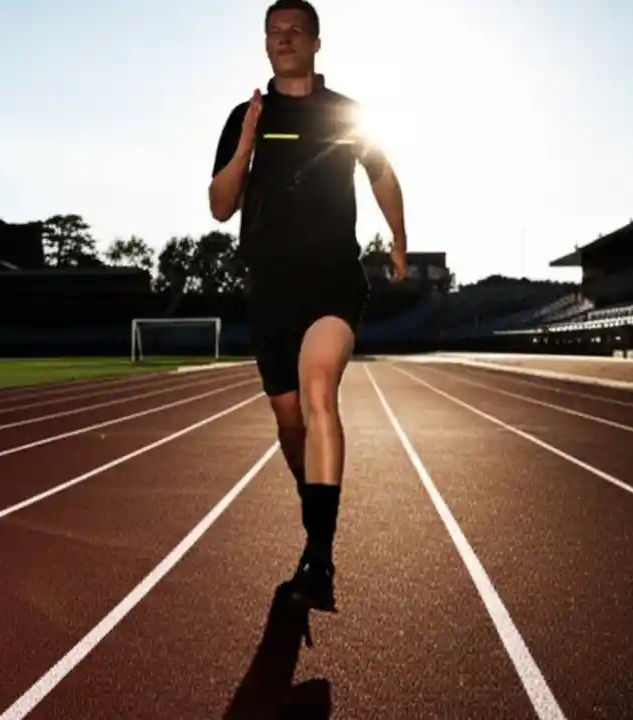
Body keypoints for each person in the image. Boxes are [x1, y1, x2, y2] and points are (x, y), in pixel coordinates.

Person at [208, 0, 408, 612]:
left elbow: (383, 175)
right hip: (269, 291)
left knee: (319, 389)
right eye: (273, 32)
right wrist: (244, 144)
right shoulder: (247, 115)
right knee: (290, 424)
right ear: (265, 45)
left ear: (317, 43)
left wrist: (400, 241)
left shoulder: (346, 112)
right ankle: (312, 498)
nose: (283, 39)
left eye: (295, 30)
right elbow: (220, 206)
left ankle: (319, 560)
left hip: (332, 282)